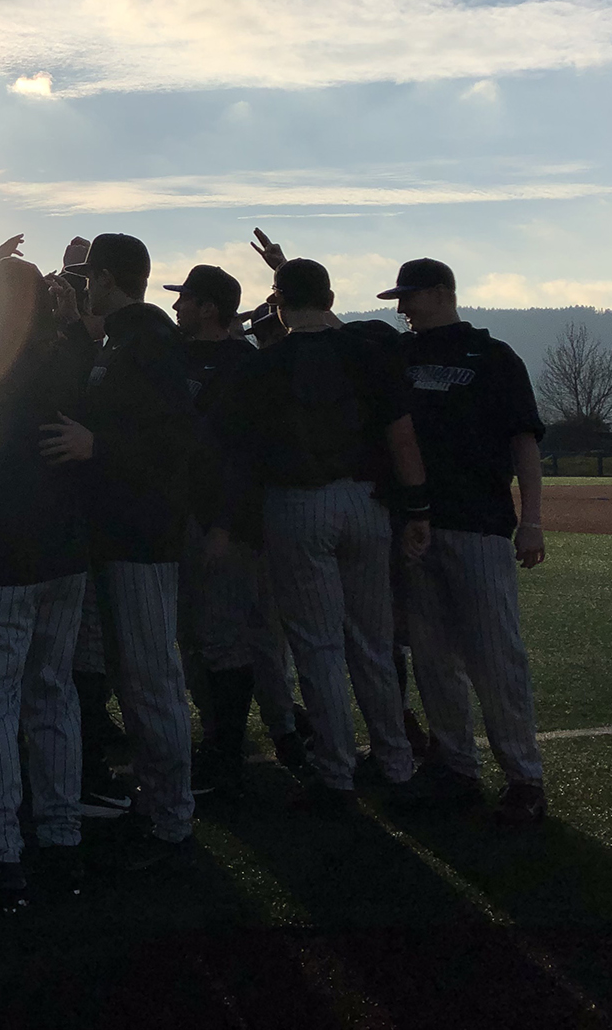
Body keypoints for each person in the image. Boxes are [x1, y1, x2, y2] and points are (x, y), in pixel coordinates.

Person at [215, 257, 431, 815]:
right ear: (331, 299)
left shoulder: (264, 365)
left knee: (318, 647)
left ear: (278, 303)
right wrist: (417, 507)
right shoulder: (368, 351)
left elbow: (241, 455)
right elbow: (402, 437)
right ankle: (396, 762)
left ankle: (336, 772)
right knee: (374, 644)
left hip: (297, 503)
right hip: (367, 501)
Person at [41, 233, 200, 870]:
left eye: (87, 278)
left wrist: (98, 448)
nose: (82, 288)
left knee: (151, 678)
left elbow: (180, 443)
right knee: (134, 678)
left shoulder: (152, 340)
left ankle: (172, 817)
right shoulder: (119, 339)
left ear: (107, 279)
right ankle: (156, 804)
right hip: (115, 534)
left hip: (142, 538)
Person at [0, 253, 95, 910]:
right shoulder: (70, 364)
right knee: (53, 693)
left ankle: (1, 844)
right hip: (63, 550)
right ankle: (61, 834)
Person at [377, 258, 550, 825]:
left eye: (409, 296)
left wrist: (532, 520)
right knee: (431, 657)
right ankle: (455, 766)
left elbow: (524, 442)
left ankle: (524, 777)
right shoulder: (398, 355)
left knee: (495, 656)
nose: (403, 308)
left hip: (479, 522)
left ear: (440, 292)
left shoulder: (492, 356)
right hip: (413, 525)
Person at [165, 264, 303, 793]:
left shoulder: (246, 365)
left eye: (186, 299)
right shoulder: (175, 357)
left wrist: (226, 523)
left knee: (232, 635)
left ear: (208, 308)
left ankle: (230, 749)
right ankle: (225, 734)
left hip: (226, 522)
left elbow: (248, 454)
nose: (177, 307)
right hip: (181, 515)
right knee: (191, 636)